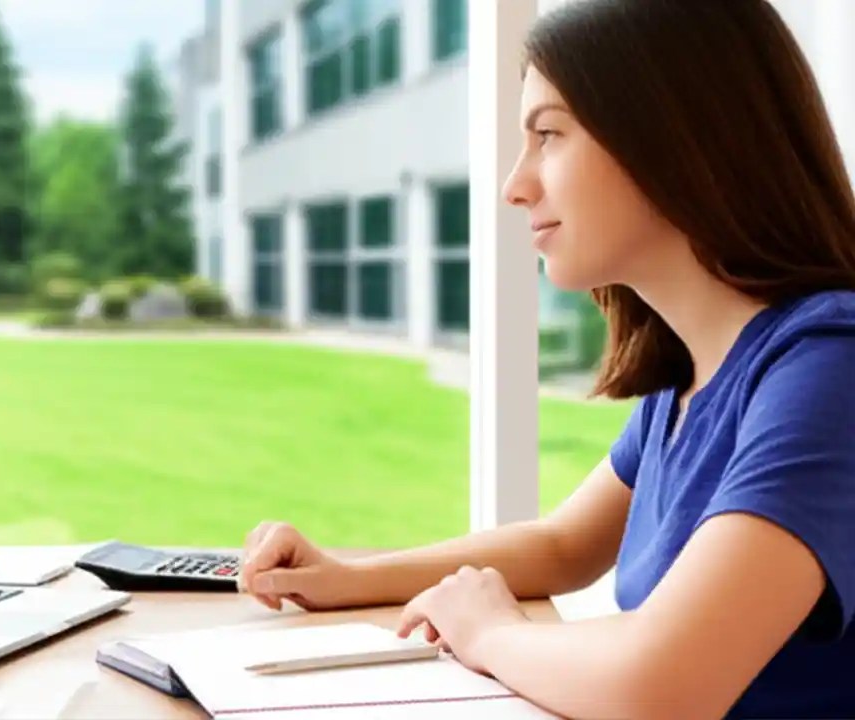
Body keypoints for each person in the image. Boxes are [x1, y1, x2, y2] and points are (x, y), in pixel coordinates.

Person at [237, 1, 855, 717]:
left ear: (678, 138)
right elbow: (565, 544)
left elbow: (661, 685)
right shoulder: (697, 374)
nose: (515, 184)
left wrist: (490, 631)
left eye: (548, 135)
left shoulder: (829, 370)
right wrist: (345, 575)